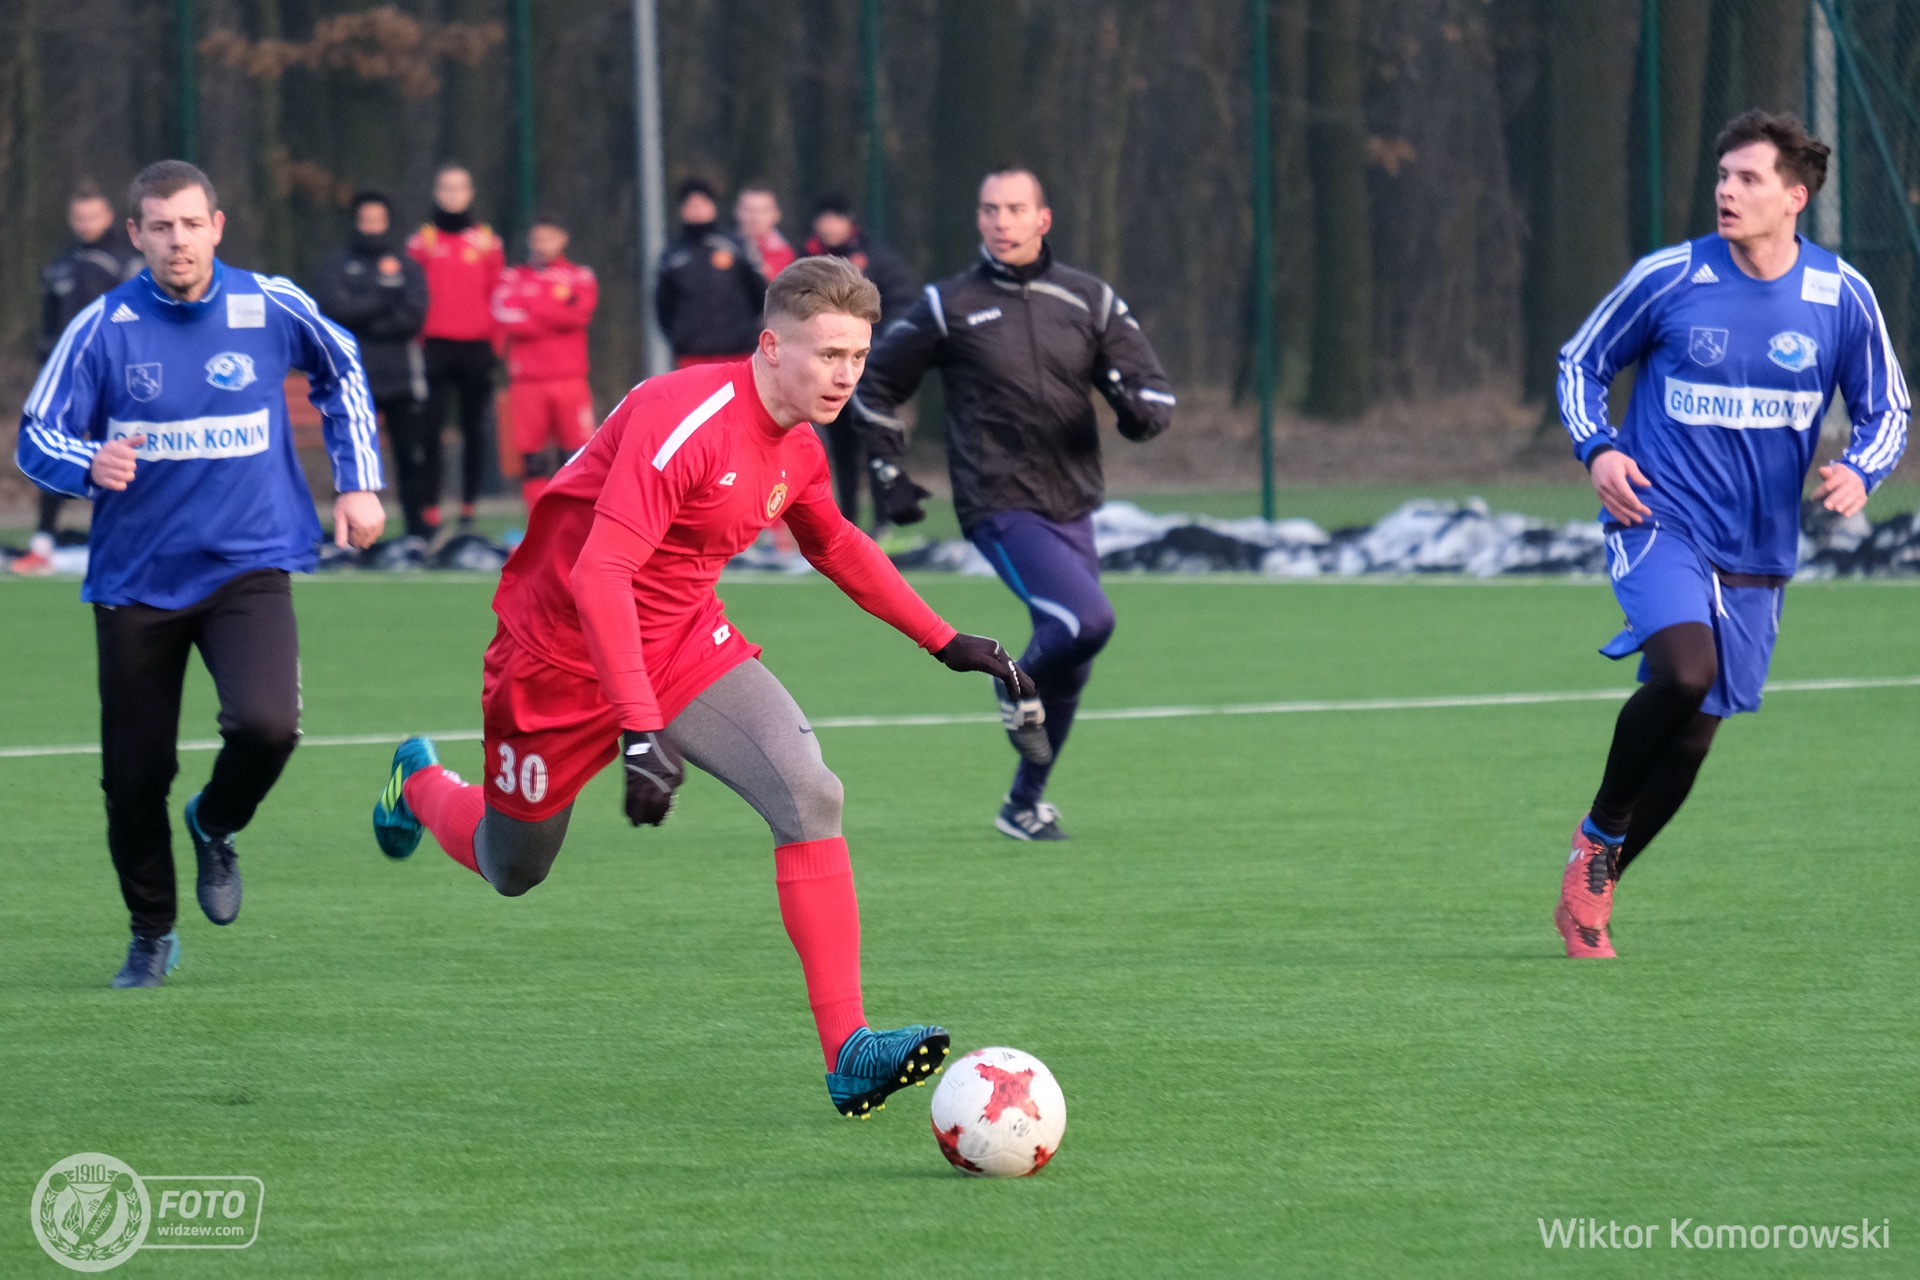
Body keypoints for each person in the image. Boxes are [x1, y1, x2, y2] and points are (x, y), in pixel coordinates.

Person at [370, 256, 1034, 1117]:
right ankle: (418, 782)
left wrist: (942, 639)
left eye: (858, 357)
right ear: (769, 346)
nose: (846, 375)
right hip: (557, 654)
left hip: (683, 640)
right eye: (828, 354)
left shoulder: (797, 444)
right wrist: (639, 730)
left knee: (809, 792)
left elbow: (834, 544)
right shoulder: (685, 417)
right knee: (512, 867)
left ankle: (850, 1051)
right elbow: (601, 574)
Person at [14, 160, 385, 988]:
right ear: (134, 235)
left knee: (267, 727)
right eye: (160, 226)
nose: (177, 240)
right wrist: (89, 462)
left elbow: (344, 368)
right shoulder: (102, 327)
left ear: (217, 226)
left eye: (191, 223)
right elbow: (35, 437)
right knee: (134, 775)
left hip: (248, 562)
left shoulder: (271, 303)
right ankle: (151, 932)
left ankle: (215, 820)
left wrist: (357, 480)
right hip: (136, 579)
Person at [1552, 110, 1908, 959]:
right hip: (1658, 518)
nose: (1727, 190)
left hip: (1759, 548)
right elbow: (1580, 361)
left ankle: (1591, 892)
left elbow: (1888, 407)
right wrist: (1599, 450)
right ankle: (1598, 837)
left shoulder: (1838, 295)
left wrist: (1862, 468)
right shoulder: (1670, 277)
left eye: (1748, 179)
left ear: (1796, 197)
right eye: (1722, 176)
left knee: (1694, 741)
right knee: (1684, 670)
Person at [852, 167, 1175, 842]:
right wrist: (887, 469)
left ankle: (1022, 805)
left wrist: (1136, 412)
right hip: (997, 502)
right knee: (1085, 619)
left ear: (1042, 220)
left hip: (1074, 500)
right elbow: (873, 381)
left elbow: (1152, 393)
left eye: (1014, 208)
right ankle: (1012, 683)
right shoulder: (952, 303)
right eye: (989, 208)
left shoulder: (1088, 298)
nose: (1001, 220)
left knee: (1076, 653)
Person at [15, 184, 143, 576]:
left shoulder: (129, 261)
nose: (85, 225)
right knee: (58, 448)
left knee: (130, 454)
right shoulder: (61, 264)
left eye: (92, 216)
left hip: (124, 377)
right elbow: (50, 324)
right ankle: (43, 543)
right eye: (78, 218)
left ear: (108, 216)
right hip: (74, 379)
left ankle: (140, 538)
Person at [319, 191, 431, 541]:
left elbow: (413, 316)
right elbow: (334, 310)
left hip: (400, 379)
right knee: (351, 455)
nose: (371, 226)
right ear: (356, 221)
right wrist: (383, 298)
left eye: (377, 220)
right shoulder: (339, 264)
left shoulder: (407, 265)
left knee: (411, 458)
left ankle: (417, 534)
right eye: (365, 219)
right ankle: (349, 535)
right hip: (352, 380)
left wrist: (365, 316)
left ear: (387, 222)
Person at [803, 196, 916, 524]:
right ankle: (846, 522)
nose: (829, 226)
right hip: (825, 373)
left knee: (876, 447)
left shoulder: (876, 259)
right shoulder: (807, 260)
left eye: (836, 218)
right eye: (824, 218)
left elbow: (902, 302)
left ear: (848, 222)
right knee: (839, 451)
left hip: (870, 374)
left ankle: (884, 524)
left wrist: (876, 346)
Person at [407, 162, 504, 535]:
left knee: (474, 429)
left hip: (477, 347)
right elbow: (413, 295)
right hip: (434, 346)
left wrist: (495, 343)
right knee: (429, 429)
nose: (453, 195)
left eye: (459, 188)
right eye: (446, 188)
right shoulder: (423, 242)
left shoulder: (486, 242)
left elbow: (498, 295)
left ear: (470, 193)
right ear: (436, 193)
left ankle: (468, 509)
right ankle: (430, 508)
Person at [491, 213, 599, 510]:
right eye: (536, 238)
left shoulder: (580, 276)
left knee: (577, 456)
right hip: (527, 381)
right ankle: (537, 526)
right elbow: (504, 316)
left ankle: (574, 523)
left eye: (548, 237)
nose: (541, 245)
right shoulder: (513, 276)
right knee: (532, 459)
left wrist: (532, 310)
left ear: (563, 239)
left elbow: (579, 315)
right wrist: (554, 311)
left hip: (570, 379)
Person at [655, 179, 765, 368]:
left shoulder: (736, 246)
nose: (697, 210)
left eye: (702, 204)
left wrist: (746, 331)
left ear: (713, 206)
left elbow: (758, 292)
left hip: (738, 351)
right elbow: (663, 305)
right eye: (691, 205)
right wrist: (680, 338)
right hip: (692, 355)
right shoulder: (672, 254)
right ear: (682, 210)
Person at [734, 183, 796, 280]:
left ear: (776, 214)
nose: (755, 217)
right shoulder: (722, 246)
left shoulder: (787, 255)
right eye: (749, 210)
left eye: (763, 210)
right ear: (737, 211)